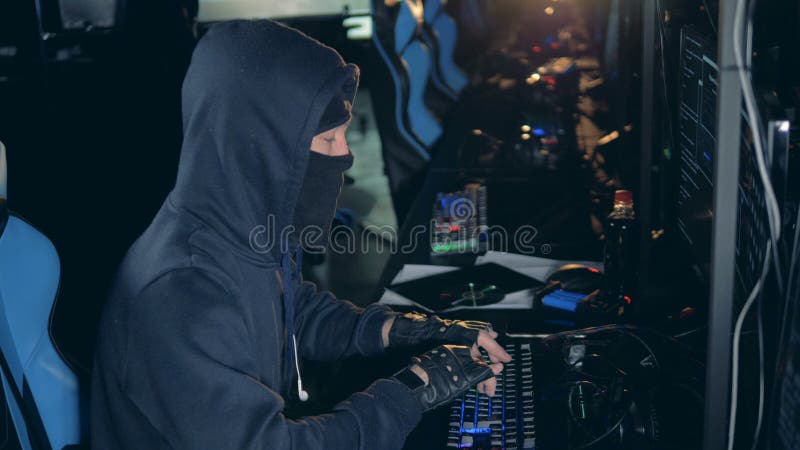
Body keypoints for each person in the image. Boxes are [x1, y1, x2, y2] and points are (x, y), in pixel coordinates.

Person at [91, 20, 511, 449]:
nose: (346, 154)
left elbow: (296, 312)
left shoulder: (242, 227)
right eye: (328, 139)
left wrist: (407, 331)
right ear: (264, 151)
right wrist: (410, 392)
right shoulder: (181, 294)